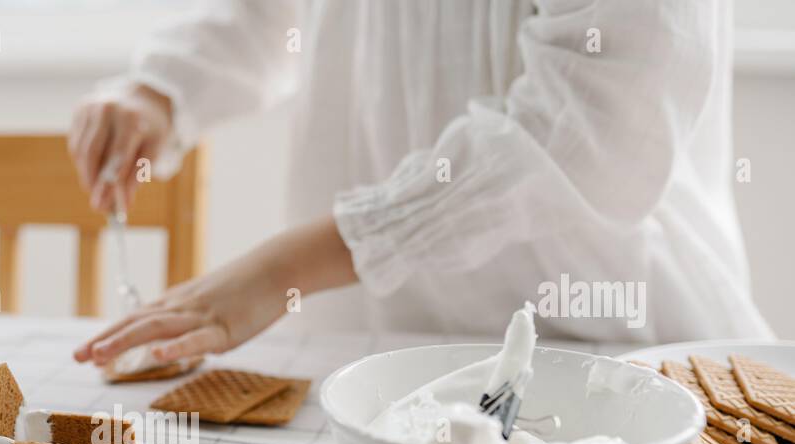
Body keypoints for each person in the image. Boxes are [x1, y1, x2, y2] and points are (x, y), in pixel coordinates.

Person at [67, 0, 771, 372]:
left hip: (602, 343)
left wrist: (292, 264)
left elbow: (594, 126)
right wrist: (162, 89)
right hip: (371, 351)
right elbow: (268, 15)